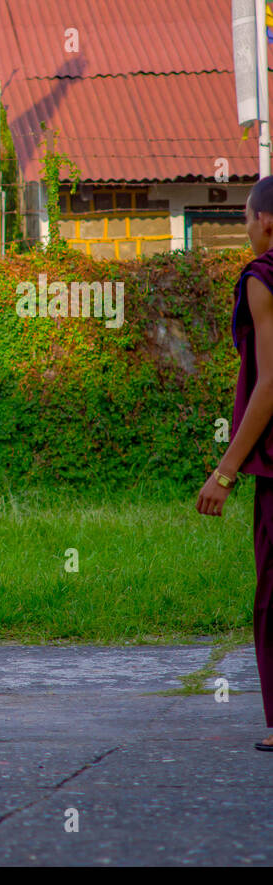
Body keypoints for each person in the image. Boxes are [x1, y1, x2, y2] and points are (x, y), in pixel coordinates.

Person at [196, 175, 273, 752]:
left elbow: (269, 386)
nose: (244, 228)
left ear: (265, 222)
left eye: (245, 217)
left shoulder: (262, 280)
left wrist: (225, 472)